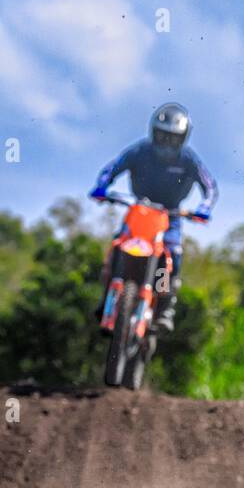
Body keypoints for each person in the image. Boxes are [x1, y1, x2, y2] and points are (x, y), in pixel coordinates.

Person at [90, 103, 218, 333]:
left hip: (170, 216)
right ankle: (107, 299)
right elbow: (112, 168)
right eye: (161, 136)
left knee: (172, 258)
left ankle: (164, 309)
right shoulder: (140, 151)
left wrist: (204, 207)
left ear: (183, 138)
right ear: (152, 132)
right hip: (139, 211)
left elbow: (209, 187)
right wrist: (101, 187)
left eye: (172, 138)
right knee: (118, 246)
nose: (166, 143)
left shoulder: (189, 160)